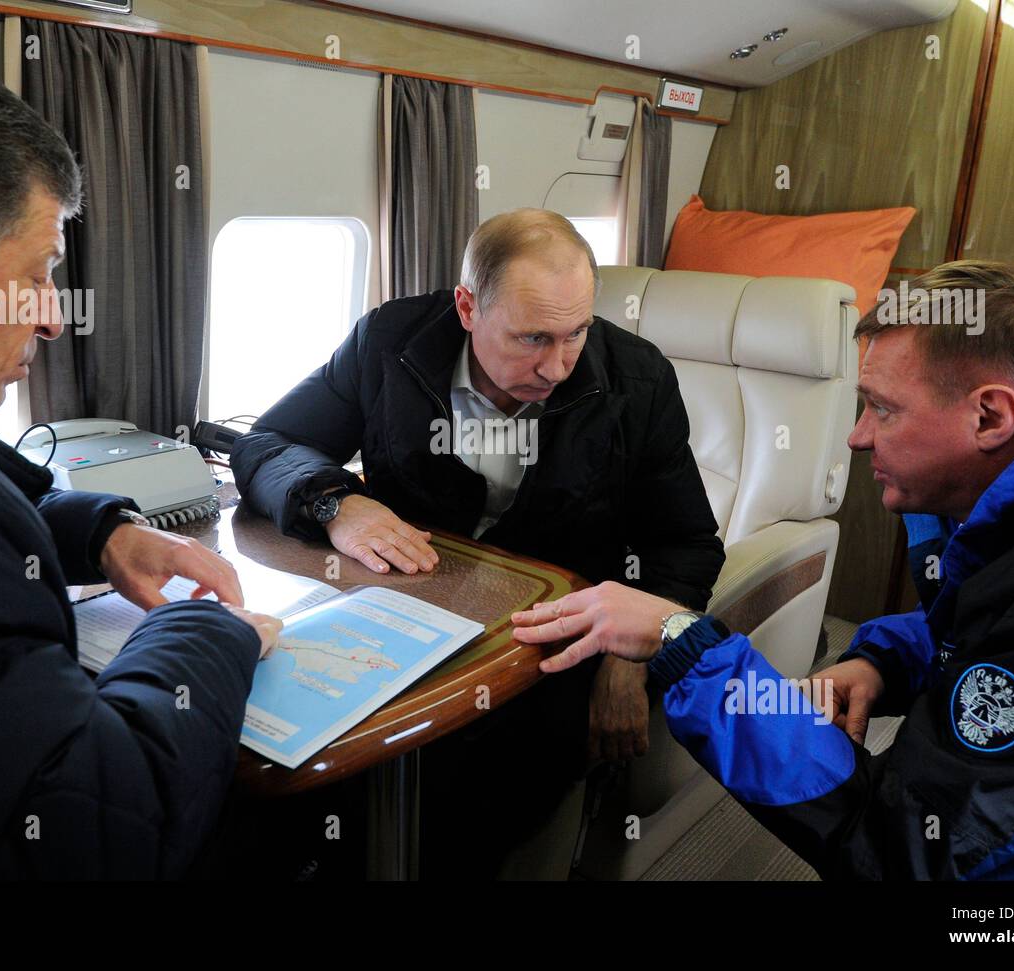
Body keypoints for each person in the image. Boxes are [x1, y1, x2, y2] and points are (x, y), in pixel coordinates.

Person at [513, 260, 1014, 880]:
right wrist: (885, 661)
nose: (856, 438)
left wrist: (683, 641)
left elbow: (900, 852)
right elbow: (989, 627)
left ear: (991, 417)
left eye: (882, 409)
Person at [0, 40, 281, 878]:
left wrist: (101, 532)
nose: (50, 318)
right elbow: (108, 826)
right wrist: (206, 631)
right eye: (38, 274)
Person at [231, 209, 724, 873]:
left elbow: (686, 543)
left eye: (577, 330)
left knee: (455, 810)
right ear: (468, 307)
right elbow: (266, 443)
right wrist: (336, 503)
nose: (558, 365)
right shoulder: (389, 342)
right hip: (397, 620)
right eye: (533, 338)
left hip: (550, 648)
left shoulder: (637, 382)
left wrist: (631, 657)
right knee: (269, 758)